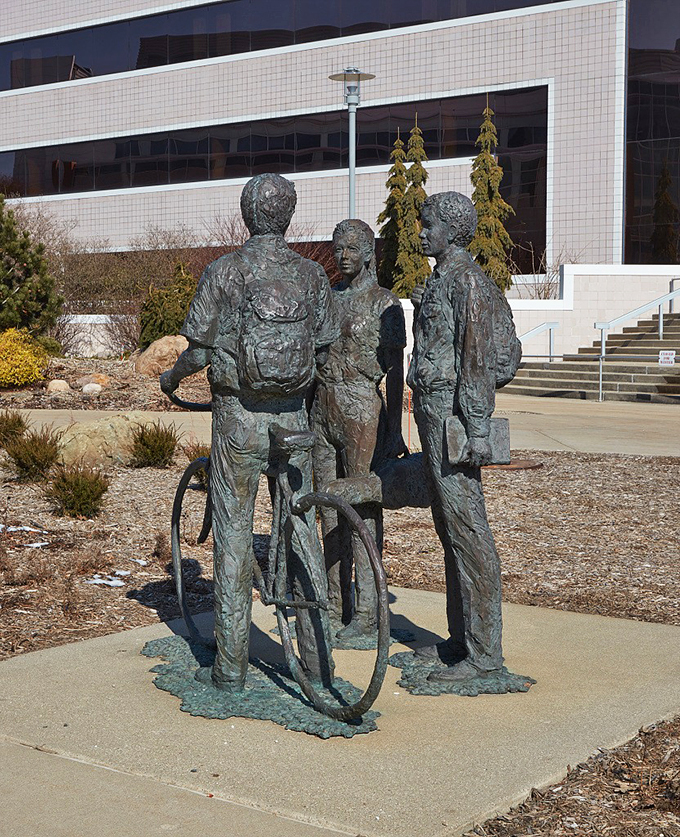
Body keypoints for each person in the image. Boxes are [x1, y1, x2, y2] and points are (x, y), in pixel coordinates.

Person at [160, 173, 339, 692]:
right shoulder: (311, 275)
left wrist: (172, 378)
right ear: (288, 216)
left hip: (238, 419)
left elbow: (198, 351)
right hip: (294, 421)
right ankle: (319, 665)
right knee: (303, 532)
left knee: (234, 535)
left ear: (246, 215)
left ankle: (231, 669)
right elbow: (324, 348)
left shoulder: (225, 271)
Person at [407, 191, 507, 684]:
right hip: (433, 413)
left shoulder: (467, 282)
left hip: (454, 418)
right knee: (449, 529)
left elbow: (477, 361)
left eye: (428, 225)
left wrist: (477, 426)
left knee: (468, 531)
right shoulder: (441, 280)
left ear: (453, 228)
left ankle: (485, 656)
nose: (420, 232)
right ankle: (459, 638)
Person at [311, 219, 406, 641]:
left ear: (369, 252)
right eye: (337, 248)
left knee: (363, 509)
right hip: (323, 406)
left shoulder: (386, 304)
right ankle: (334, 605)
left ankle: (368, 613)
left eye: (351, 248)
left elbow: (397, 371)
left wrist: (397, 429)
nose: (342, 256)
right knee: (327, 509)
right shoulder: (327, 300)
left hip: (362, 408)